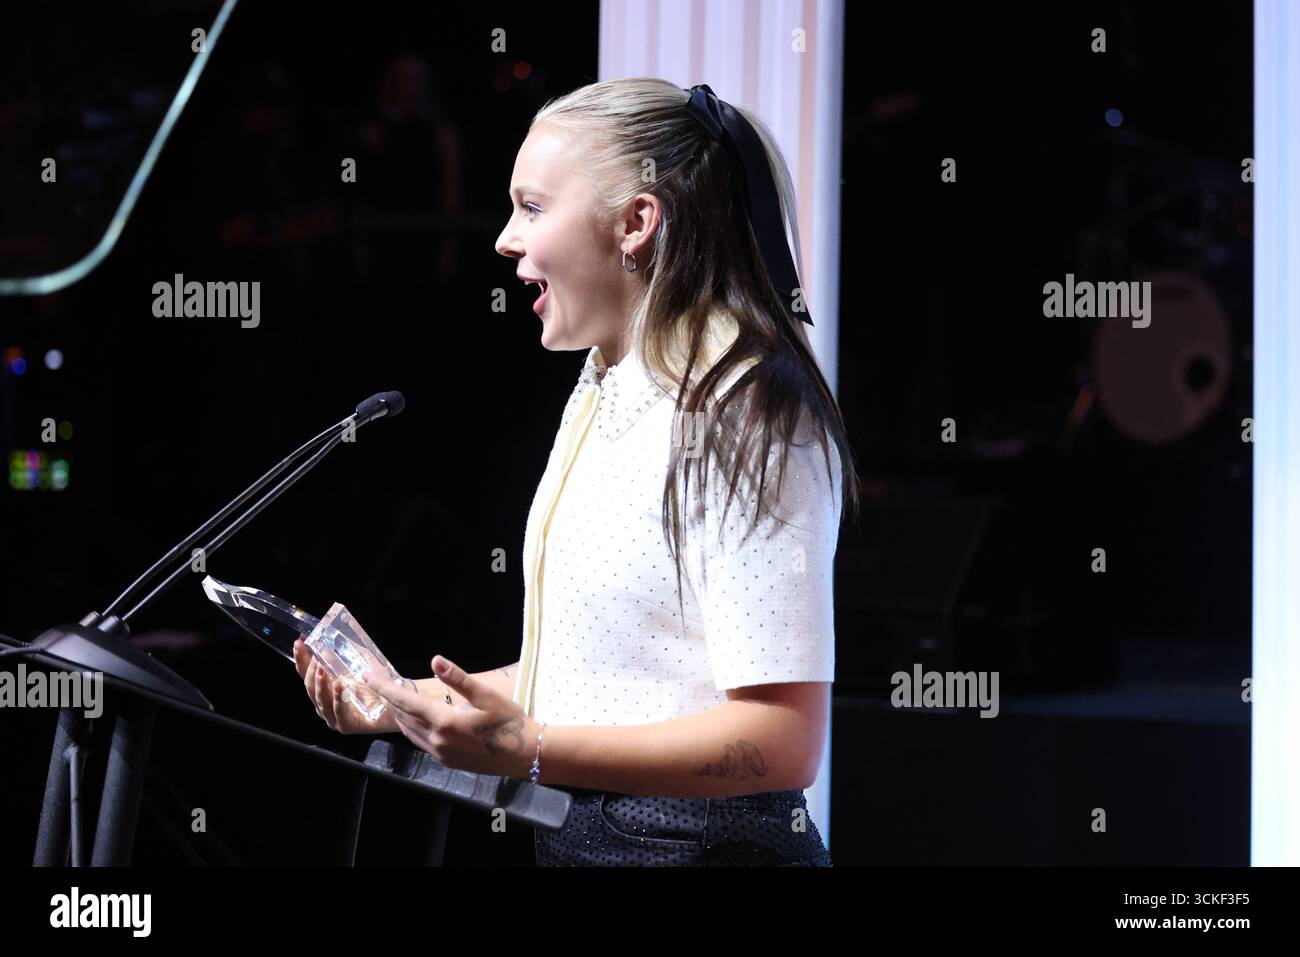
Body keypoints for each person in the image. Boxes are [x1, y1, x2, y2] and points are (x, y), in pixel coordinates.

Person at [295, 77, 859, 866]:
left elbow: (784, 739)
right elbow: (600, 675)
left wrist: (531, 748)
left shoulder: (748, 405)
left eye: (531, 206)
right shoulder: (606, 381)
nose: (503, 239)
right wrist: (396, 702)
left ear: (636, 222)